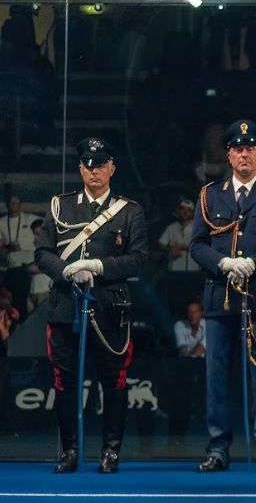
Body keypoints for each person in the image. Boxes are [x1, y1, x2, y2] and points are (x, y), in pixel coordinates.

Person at [33, 138, 147, 473]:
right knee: (64, 381)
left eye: (101, 164)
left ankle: (110, 451)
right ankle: (69, 450)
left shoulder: (129, 211)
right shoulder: (60, 205)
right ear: (80, 168)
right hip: (66, 304)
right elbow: (42, 252)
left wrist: (100, 267)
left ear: (112, 167)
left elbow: (139, 259)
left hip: (110, 306)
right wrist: (64, 270)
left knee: (114, 380)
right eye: (88, 164)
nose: (94, 170)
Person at [189, 120, 256, 473]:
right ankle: (218, 448)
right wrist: (222, 263)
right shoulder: (209, 195)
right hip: (220, 296)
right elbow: (196, 245)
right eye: (237, 148)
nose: (244, 153)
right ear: (229, 154)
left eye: (250, 147)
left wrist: (252, 262)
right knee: (217, 375)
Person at [1, 195, 39, 318]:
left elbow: (44, 223)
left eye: (17, 202)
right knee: (18, 300)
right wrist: (8, 247)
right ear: (7, 205)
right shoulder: (1, 222)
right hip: (14, 268)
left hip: (29, 264)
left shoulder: (29, 218)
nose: (14, 205)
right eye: (12, 202)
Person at [157, 199, 198, 272]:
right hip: (175, 268)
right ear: (178, 211)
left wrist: (184, 247)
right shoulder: (171, 227)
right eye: (182, 209)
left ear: (192, 213)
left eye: (189, 210)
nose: (185, 212)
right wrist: (170, 250)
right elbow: (161, 243)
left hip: (193, 269)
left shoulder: (198, 228)